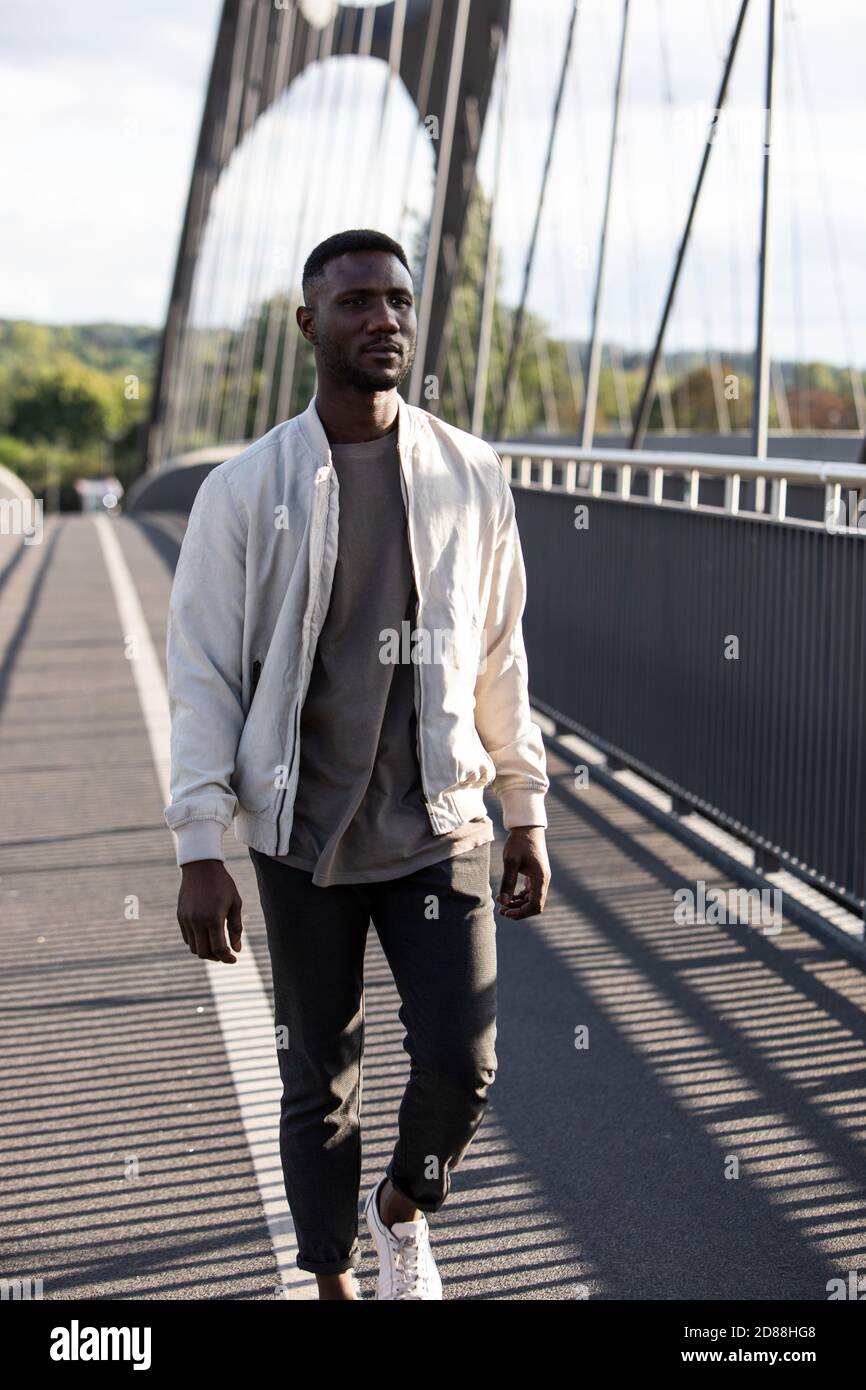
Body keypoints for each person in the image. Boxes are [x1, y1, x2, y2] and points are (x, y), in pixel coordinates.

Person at [166, 228, 551, 1300]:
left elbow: (499, 650)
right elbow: (201, 673)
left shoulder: (469, 473)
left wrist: (524, 809)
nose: (382, 319)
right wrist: (201, 844)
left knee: (461, 1064)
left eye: (395, 300)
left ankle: (401, 1212)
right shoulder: (246, 489)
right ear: (308, 324)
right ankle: (332, 1278)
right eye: (354, 303)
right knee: (317, 1080)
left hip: (439, 821)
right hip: (302, 834)